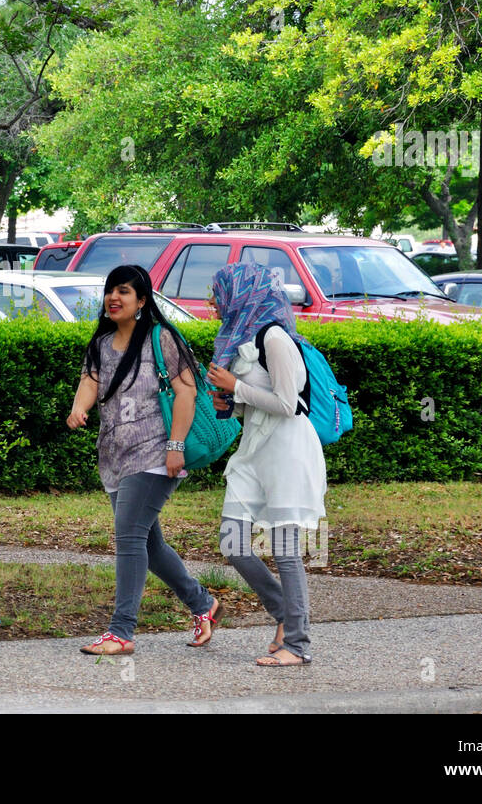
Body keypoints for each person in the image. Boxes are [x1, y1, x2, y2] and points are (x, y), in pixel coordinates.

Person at [67, 264, 222, 655]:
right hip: (115, 454)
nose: (113, 298)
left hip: (155, 452)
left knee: (129, 538)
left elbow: (186, 392)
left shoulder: (161, 338)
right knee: (149, 545)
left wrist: (175, 447)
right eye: (110, 291)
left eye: (123, 292)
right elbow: (91, 380)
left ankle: (121, 632)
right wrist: (78, 409)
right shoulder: (101, 343)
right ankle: (203, 604)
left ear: (141, 300)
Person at [204, 262, 326, 666]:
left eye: (220, 293)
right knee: (233, 541)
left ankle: (297, 644)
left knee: (287, 550)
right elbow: (255, 402)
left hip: (288, 451)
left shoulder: (274, 337)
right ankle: (283, 615)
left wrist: (234, 387)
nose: (214, 302)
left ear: (243, 292)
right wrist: (231, 402)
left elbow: (289, 405)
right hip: (254, 451)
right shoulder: (241, 338)